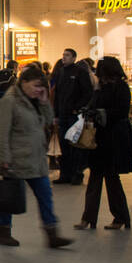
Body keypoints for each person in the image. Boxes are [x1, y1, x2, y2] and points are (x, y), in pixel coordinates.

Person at [0, 65, 72, 248]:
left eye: (41, 87)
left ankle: (52, 233)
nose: (38, 90)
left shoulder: (35, 100)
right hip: (15, 160)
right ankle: (3, 232)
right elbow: (2, 132)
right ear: (24, 82)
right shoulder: (10, 101)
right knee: (8, 197)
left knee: (45, 195)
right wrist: (3, 158)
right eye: (36, 86)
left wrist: (45, 102)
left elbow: (49, 120)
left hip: (36, 160)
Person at [75, 57, 132, 230]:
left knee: (110, 179)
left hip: (113, 139)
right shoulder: (102, 87)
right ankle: (93, 218)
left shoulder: (120, 87)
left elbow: (122, 112)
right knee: (99, 178)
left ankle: (116, 217)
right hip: (101, 138)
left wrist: (99, 112)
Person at [52, 48, 92, 184]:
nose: (64, 57)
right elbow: (57, 95)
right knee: (63, 145)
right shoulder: (61, 72)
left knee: (75, 145)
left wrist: (77, 108)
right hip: (63, 115)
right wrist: (56, 113)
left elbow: (87, 93)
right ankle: (65, 174)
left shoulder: (80, 73)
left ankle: (76, 174)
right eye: (63, 55)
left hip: (74, 116)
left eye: (67, 55)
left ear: (74, 58)